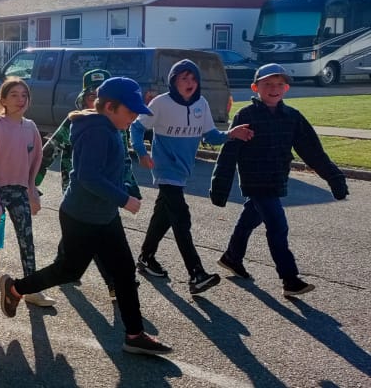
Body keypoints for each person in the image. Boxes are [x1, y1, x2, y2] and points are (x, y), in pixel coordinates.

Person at [0, 77, 173, 357]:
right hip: (82, 216)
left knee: (125, 272)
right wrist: (124, 199)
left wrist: (126, 188)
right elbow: (88, 176)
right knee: (69, 270)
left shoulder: (111, 126)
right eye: (131, 112)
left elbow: (111, 168)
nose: (134, 117)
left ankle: (134, 335)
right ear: (111, 107)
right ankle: (15, 288)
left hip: (103, 215)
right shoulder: (96, 131)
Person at [210, 64, 348, 297]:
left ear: (286, 88)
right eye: (267, 84)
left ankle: (232, 257)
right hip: (257, 182)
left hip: (277, 180)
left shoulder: (292, 117)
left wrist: (334, 178)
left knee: (249, 220)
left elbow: (313, 151)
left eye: (278, 84)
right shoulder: (246, 115)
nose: (273, 89)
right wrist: (219, 187)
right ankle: (290, 279)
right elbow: (229, 153)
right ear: (256, 87)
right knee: (278, 227)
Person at [129, 59, 253, 294]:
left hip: (183, 170)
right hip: (165, 168)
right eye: (183, 78)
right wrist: (141, 152)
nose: (189, 82)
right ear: (173, 81)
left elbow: (211, 136)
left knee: (163, 216)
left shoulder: (201, 104)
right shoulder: (161, 103)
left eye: (193, 78)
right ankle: (196, 274)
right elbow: (136, 127)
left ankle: (146, 257)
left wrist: (231, 134)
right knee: (181, 218)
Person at [37, 69, 140, 299]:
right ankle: (113, 280)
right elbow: (49, 151)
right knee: (93, 240)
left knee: (77, 246)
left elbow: (123, 161)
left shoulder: (119, 126)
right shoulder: (79, 122)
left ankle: (66, 267)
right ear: (84, 98)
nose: (93, 100)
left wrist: (131, 187)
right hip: (79, 192)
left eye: (97, 94)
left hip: (108, 194)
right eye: (90, 96)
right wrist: (34, 182)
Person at [0, 77, 50, 306]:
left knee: (26, 239)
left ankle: (31, 289)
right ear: (2, 100)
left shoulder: (30, 127)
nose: (20, 100)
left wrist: (32, 191)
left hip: (19, 191)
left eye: (24, 95)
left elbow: (36, 161)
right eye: (14, 95)